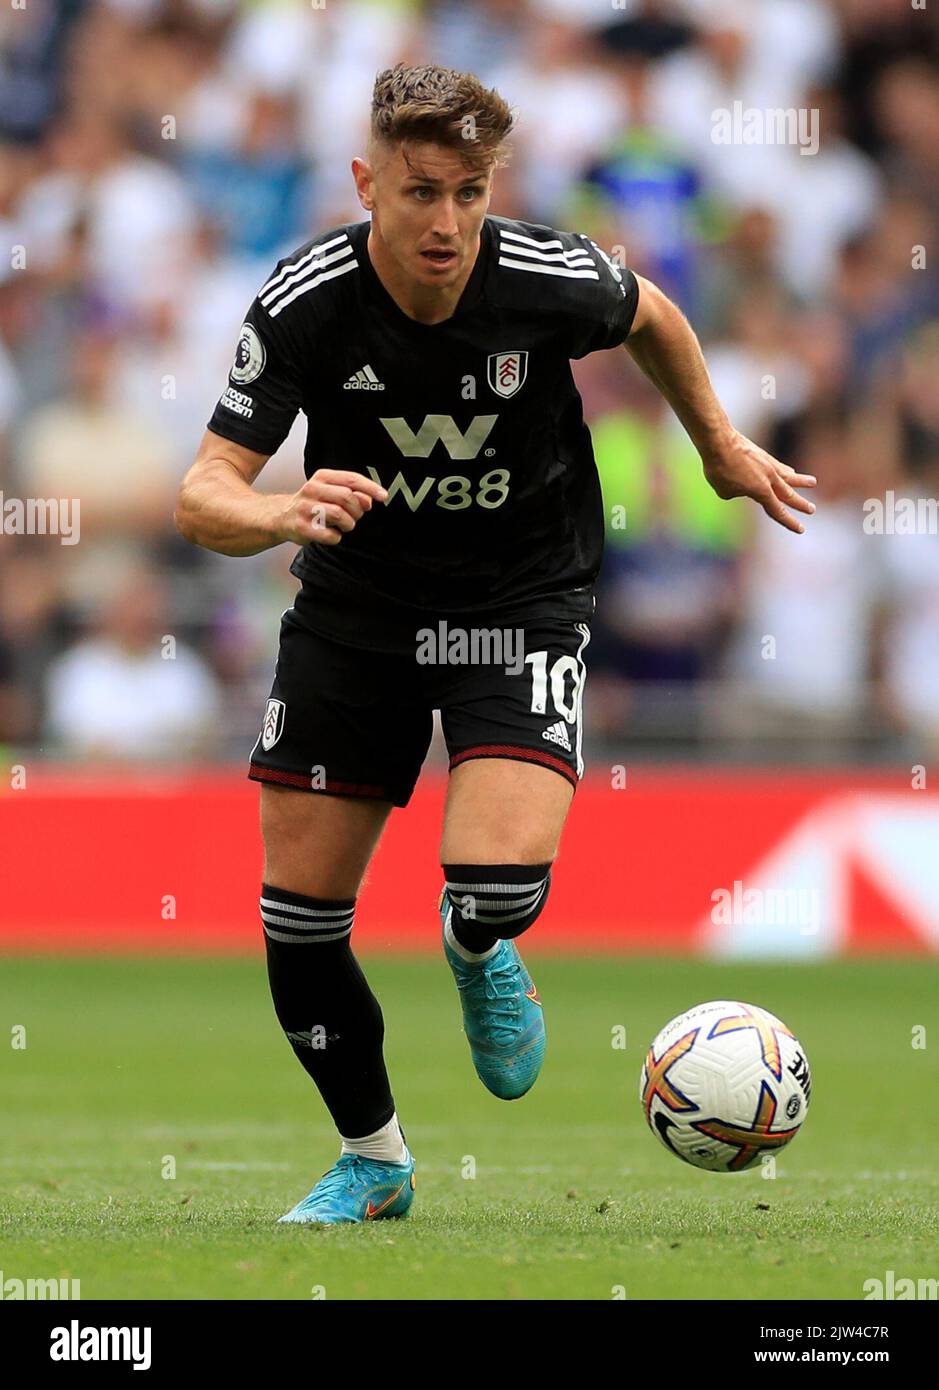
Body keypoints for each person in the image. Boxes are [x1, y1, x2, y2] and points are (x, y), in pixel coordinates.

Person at [175, 63, 815, 1225]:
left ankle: (476, 944)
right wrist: (280, 510)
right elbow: (203, 494)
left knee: (495, 883)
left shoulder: (542, 274)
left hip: (519, 602)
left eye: (471, 191)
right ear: (367, 182)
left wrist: (717, 443)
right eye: (422, 191)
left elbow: (654, 314)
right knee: (300, 923)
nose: (449, 223)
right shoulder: (304, 301)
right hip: (354, 618)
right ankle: (374, 1158)